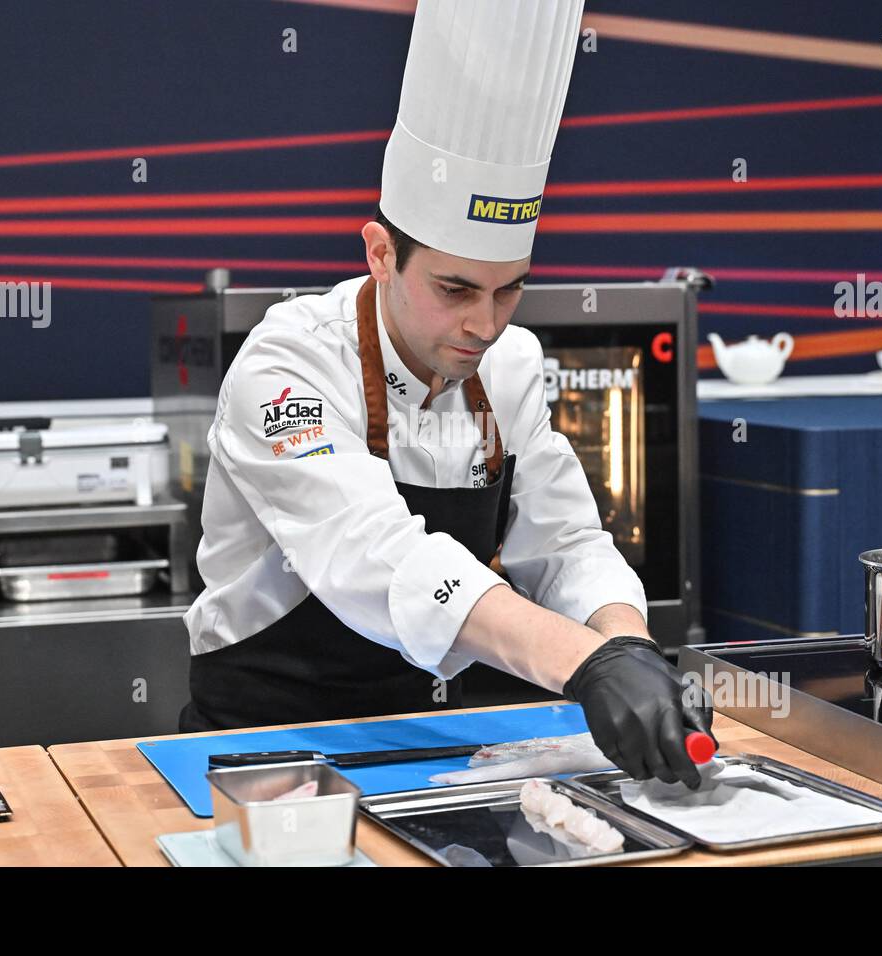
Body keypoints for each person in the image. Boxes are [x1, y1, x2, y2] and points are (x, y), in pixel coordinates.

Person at [181, 0, 713, 787]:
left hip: (441, 748)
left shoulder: (512, 364)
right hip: (271, 755)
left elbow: (564, 545)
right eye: (455, 288)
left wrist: (626, 644)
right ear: (379, 254)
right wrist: (586, 665)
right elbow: (379, 555)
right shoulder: (286, 366)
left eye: (508, 292)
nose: (484, 325)